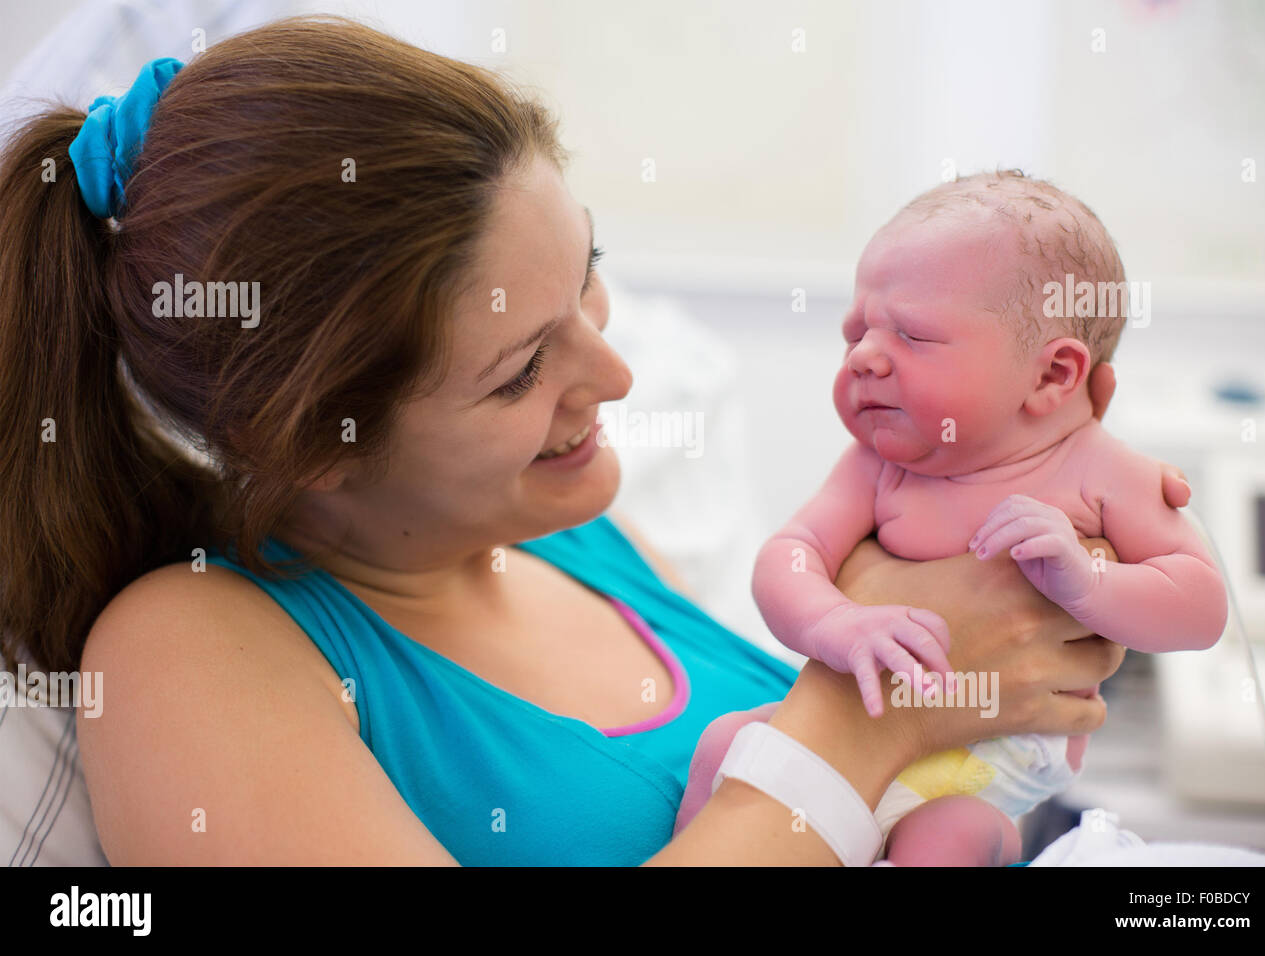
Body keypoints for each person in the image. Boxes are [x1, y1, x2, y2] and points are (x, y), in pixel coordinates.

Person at [0, 16, 1187, 866]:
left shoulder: (570, 530)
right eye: (522, 367)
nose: (613, 375)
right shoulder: (184, 649)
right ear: (315, 440)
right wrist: (864, 714)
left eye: (589, 274)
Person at [677, 172, 1228, 865]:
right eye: (856, 334)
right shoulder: (875, 466)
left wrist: (1087, 580)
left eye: (912, 334)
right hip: (856, 732)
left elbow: (1202, 606)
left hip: (989, 770)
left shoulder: (1103, 469)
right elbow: (792, 552)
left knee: (947, 836)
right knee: (727, 741)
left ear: (1054, 376)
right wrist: (833, 623)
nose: (865, 357)